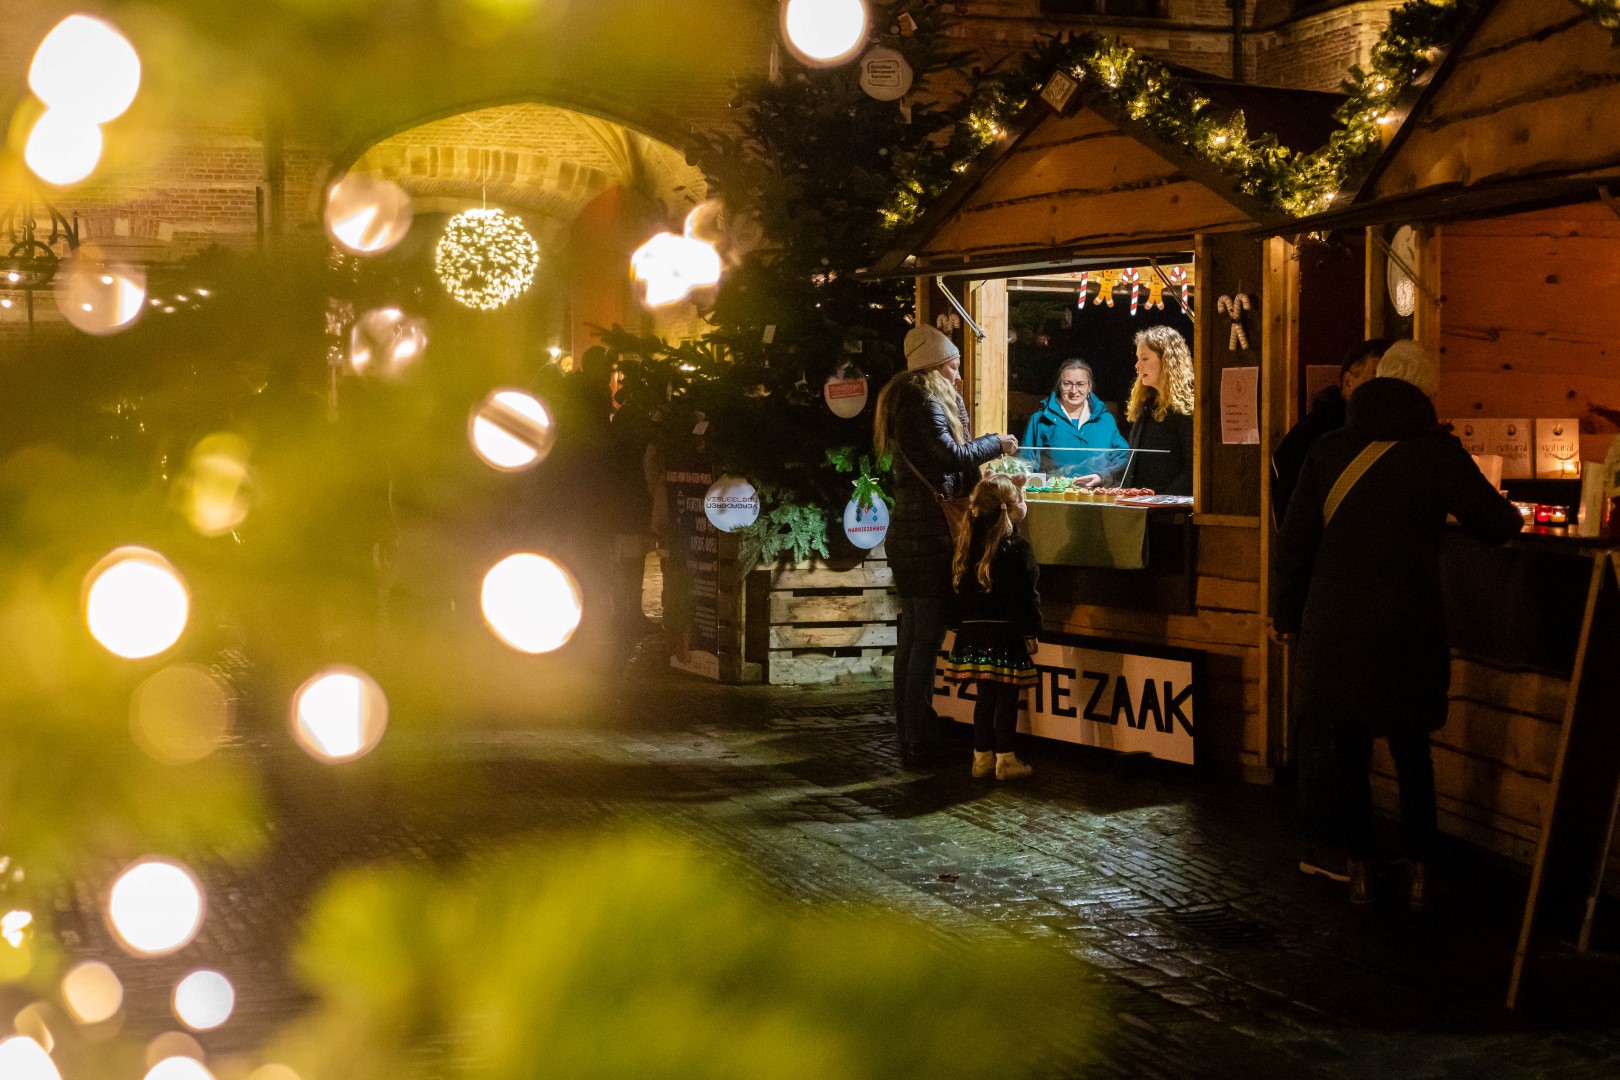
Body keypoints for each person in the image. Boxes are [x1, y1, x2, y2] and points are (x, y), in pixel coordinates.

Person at [1271, 340, 1522, 910]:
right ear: (1425, 395)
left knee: (1349, 751)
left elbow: (1295, 545)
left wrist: (1286, 616)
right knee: (1413, 754)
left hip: (1335, 627)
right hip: (1408, 626)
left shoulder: (1331, 450)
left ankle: (1361, 872)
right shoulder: (1437, 454)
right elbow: (1496, 523)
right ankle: (1420, 876)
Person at [874, 325, 1015, 765]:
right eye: (953, 367)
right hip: (928, 534)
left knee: (913, 636)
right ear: (934, 368)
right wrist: (997, 443)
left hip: (910, 531)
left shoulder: (905, 400)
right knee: (925, 638)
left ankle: (911, 727)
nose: (958, 377)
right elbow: (950, 456)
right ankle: (920, 734)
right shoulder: (921, 400)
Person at [942, 473, 1040, 781]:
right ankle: (1006, 758)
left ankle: (981, 756)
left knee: (985, 696)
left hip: (974, 632)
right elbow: (1027, 594)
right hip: (1006, 633)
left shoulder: (967, 545)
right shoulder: (1017, 547)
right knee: (1007, 697)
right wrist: (1030, 631)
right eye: (1019, 500)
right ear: (1007, 509)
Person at [1271, 339, 1390, 521]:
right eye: (1376, 379)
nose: (1385, 391)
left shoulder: (1391, 435)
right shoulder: (1311, 435)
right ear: (1348, 382)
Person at [1077, 326, 1194, 494]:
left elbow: (1194, 471)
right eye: (1138, 358)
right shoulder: (1146, 406)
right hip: (1141, 509)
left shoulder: (1186, 410)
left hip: (1167, 514)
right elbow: (1135, 461)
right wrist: (1103, 477)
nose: (1137, 365)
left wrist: (1161, 501)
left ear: (1167, 360)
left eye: (1144, 358)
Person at [1019, 359, 1129, 478]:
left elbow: (1123, 455)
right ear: (1059, 386)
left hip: (1097, 494)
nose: (1073, 390)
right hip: (1054, 494)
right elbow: (1026, 465)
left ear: (1089, 387)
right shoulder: (1039, 420)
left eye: (1080, 384)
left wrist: (1102, 476)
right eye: (1067, 384)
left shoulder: (1106, 420)